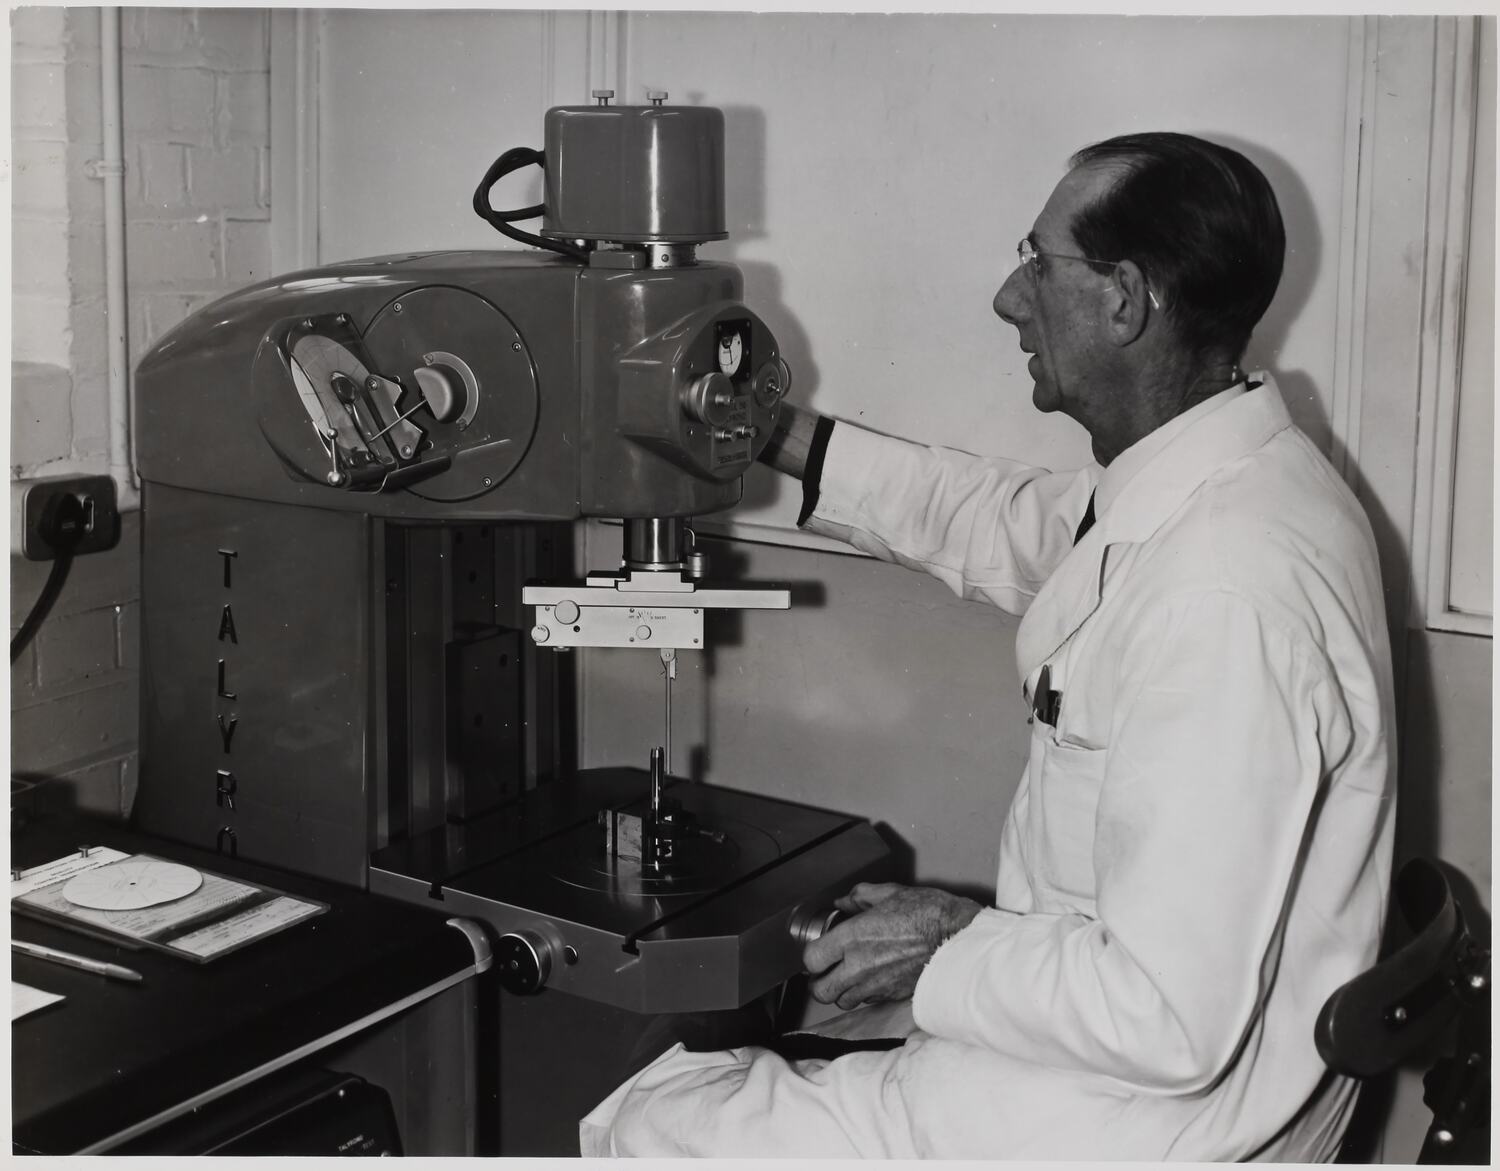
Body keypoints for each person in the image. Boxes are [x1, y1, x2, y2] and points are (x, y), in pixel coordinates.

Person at [579, 132, 1395, 1160]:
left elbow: (1168, 1019)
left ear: (1125, 300)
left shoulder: (1228, 596)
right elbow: (1010, 524)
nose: (1012, 298)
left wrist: (948, 941)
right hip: (1129, 1064)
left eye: (1038, 263)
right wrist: (774, 432)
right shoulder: (1233, 474)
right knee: (730, 1054)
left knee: (643, 1115)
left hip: (1147, 1123)